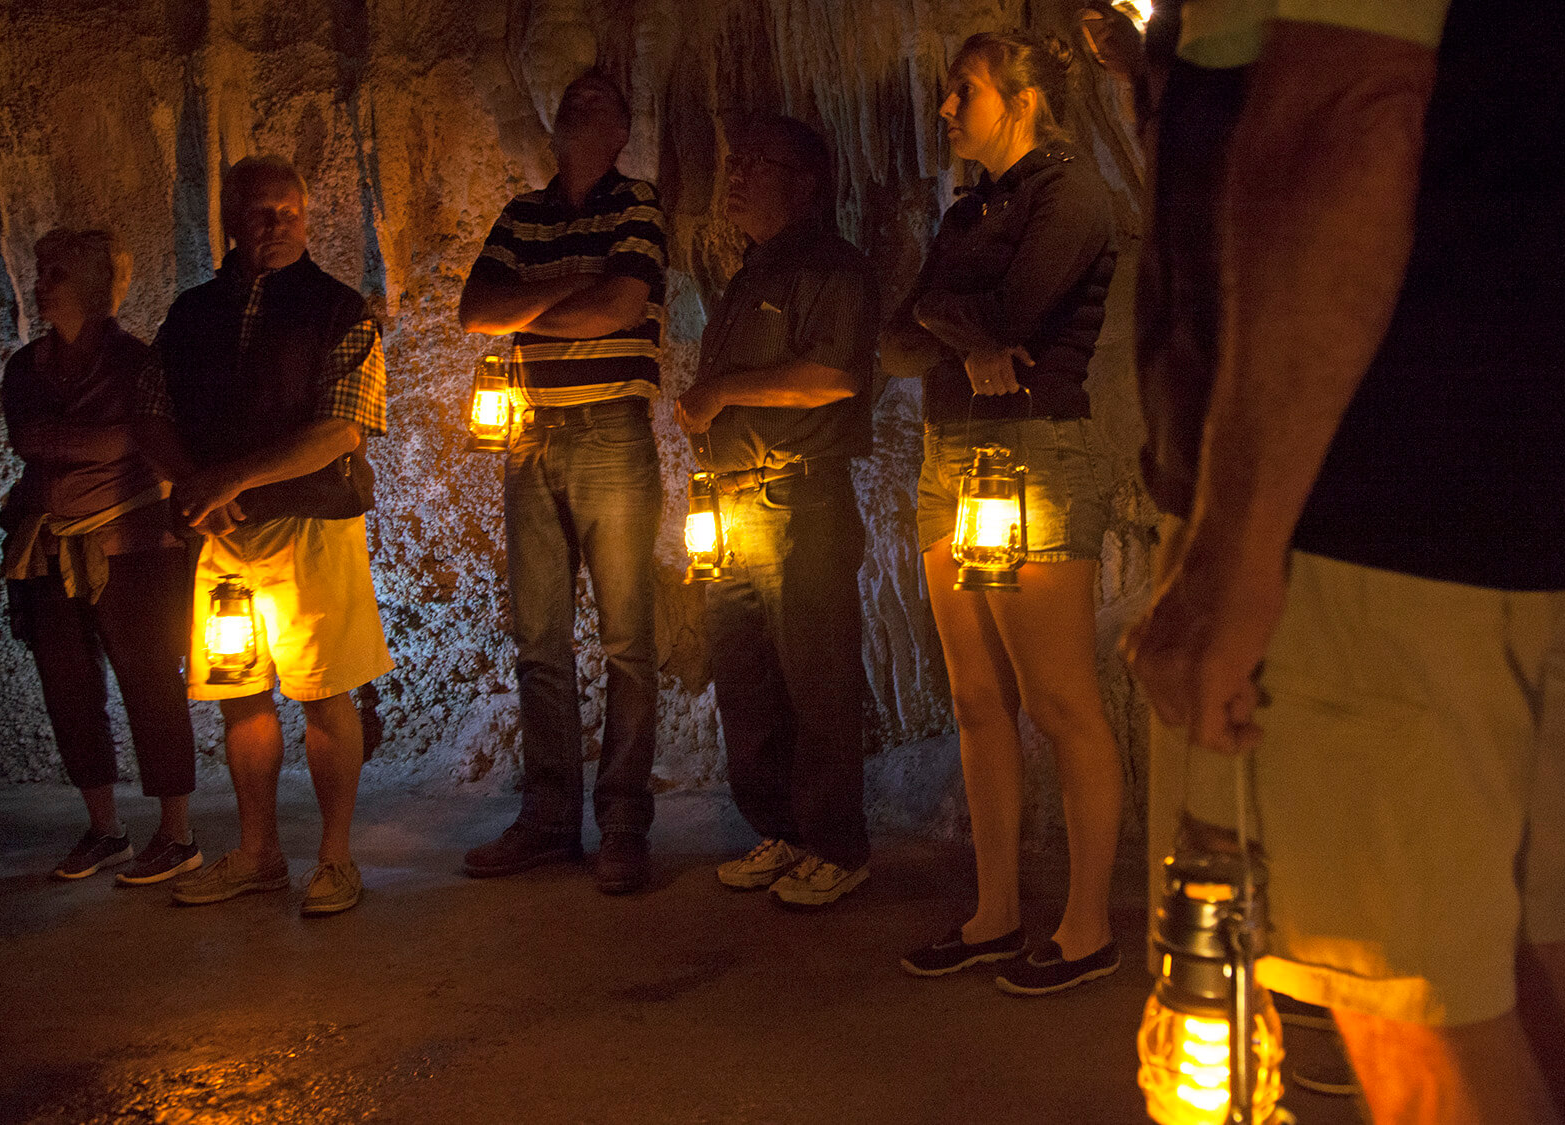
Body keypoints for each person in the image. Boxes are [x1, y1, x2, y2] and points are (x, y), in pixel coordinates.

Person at [1124, 3, 1565, 1121]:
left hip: (1356, 504)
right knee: (1517, 971)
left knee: (1416, 1025)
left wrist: (1235, 547)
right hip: (1490, 493)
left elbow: (1347, 117)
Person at [882, 31, 1125, 995]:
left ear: (1020, 99)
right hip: (947, 453)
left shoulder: (1071, 194)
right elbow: (896, 342)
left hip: (1036, 453)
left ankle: (1087, 928)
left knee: (1059, 699)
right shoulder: (967, 211)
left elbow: (1017, 315)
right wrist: (956, 325)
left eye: (965, 91)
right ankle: (994, 914)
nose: (947, 109)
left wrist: (950, 316)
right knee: (977, 699)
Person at [140, 155, 394, 918]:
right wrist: (197, 484)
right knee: (240, 694)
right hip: (224, 535)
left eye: (290, 212)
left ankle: (335, 858)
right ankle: (258, 854)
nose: (277, 225)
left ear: (306, 218)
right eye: (260, 212)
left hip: (312, 526)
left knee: (324, 692)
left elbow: (341, 429)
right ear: (229, 220)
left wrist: (228, 480)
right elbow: (150, 414)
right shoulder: (190, 315)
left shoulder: (339, 310)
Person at [457, 71, 668, 896]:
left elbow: (620, 306)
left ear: (622, 131)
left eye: (601, 101)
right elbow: (476, 311)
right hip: (532, 434)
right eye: (572, 100)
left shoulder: (639, 205)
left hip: (612, 432)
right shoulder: (522, 215)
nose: (583, 108)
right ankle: (549, 818)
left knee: (627, 641)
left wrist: (528, 307)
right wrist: (577, 289)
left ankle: (623, 823)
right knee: (539, 641)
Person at [676, 116, 879, 907]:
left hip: (799, 499)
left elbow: (834, 375)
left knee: (815, 677)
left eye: (758, 163)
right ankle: (782, 829)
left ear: (805, 183)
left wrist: (722, 391)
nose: (736, 175)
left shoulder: (833, 269)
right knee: (747, 676)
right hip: (733, 502)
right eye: (737, 160)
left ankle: (836, 844)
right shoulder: (748, 273)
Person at [1, 228, 200, 885]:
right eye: (41, 271)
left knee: (150, 685)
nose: (42, 284)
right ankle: (105, 830)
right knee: (68, 688)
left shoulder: (138, 364)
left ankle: (177, 835)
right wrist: (96, 439)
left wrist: (75, 441)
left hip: (133, 551)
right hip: (48, 553)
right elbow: (28, 437)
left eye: (56, 273)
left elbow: (125, 440)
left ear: (94, 286)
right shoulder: (24, 369)